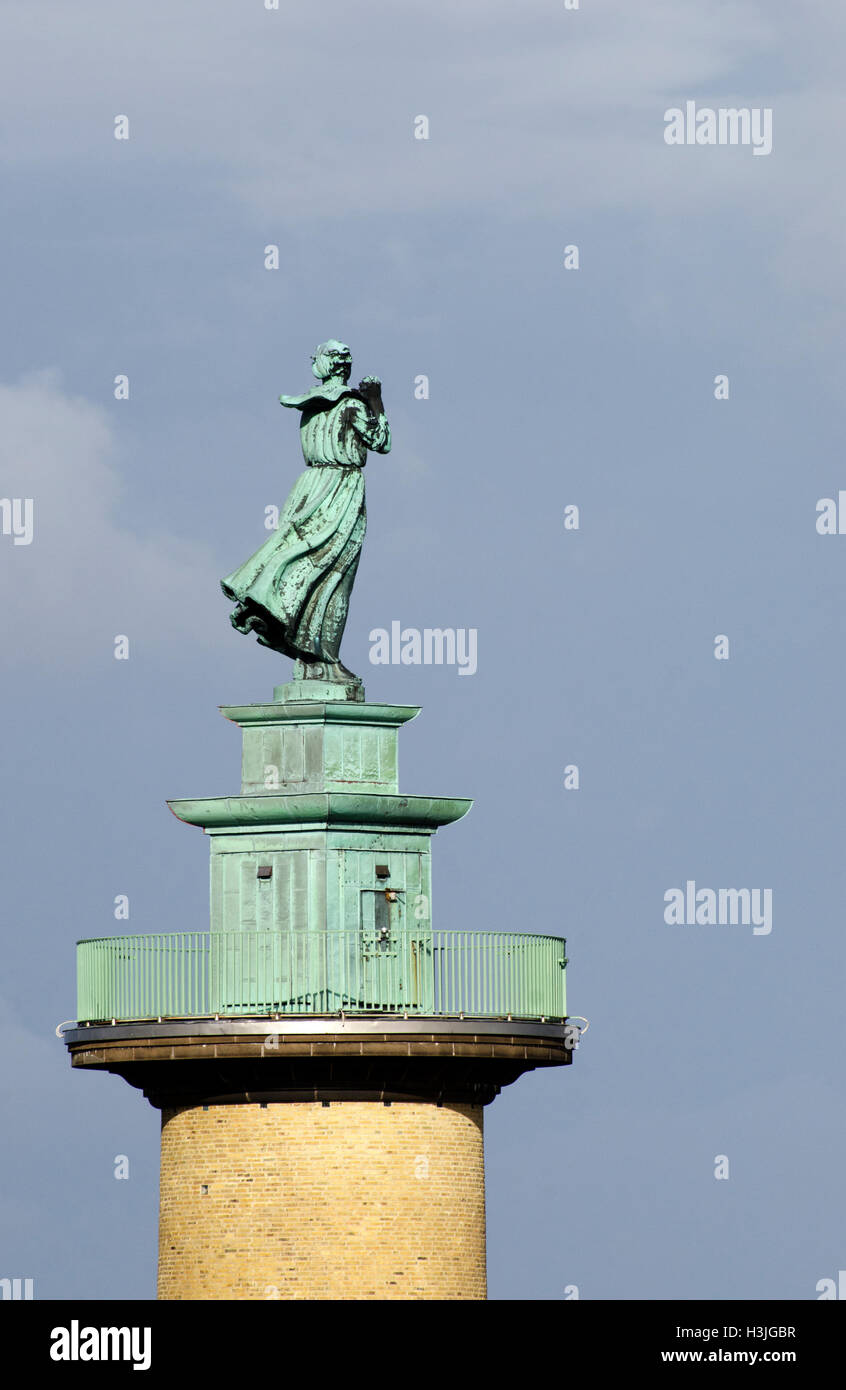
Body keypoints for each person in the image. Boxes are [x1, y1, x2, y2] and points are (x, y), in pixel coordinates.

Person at [221, 341, 391, 686]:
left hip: (308, 487)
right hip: (340, 489)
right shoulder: (353, 405)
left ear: (325, 365)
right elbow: (381, 441)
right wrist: (376, 400)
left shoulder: (309, 406)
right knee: (335, 575)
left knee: (297, 556)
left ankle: (297, 641)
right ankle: (323, 656)